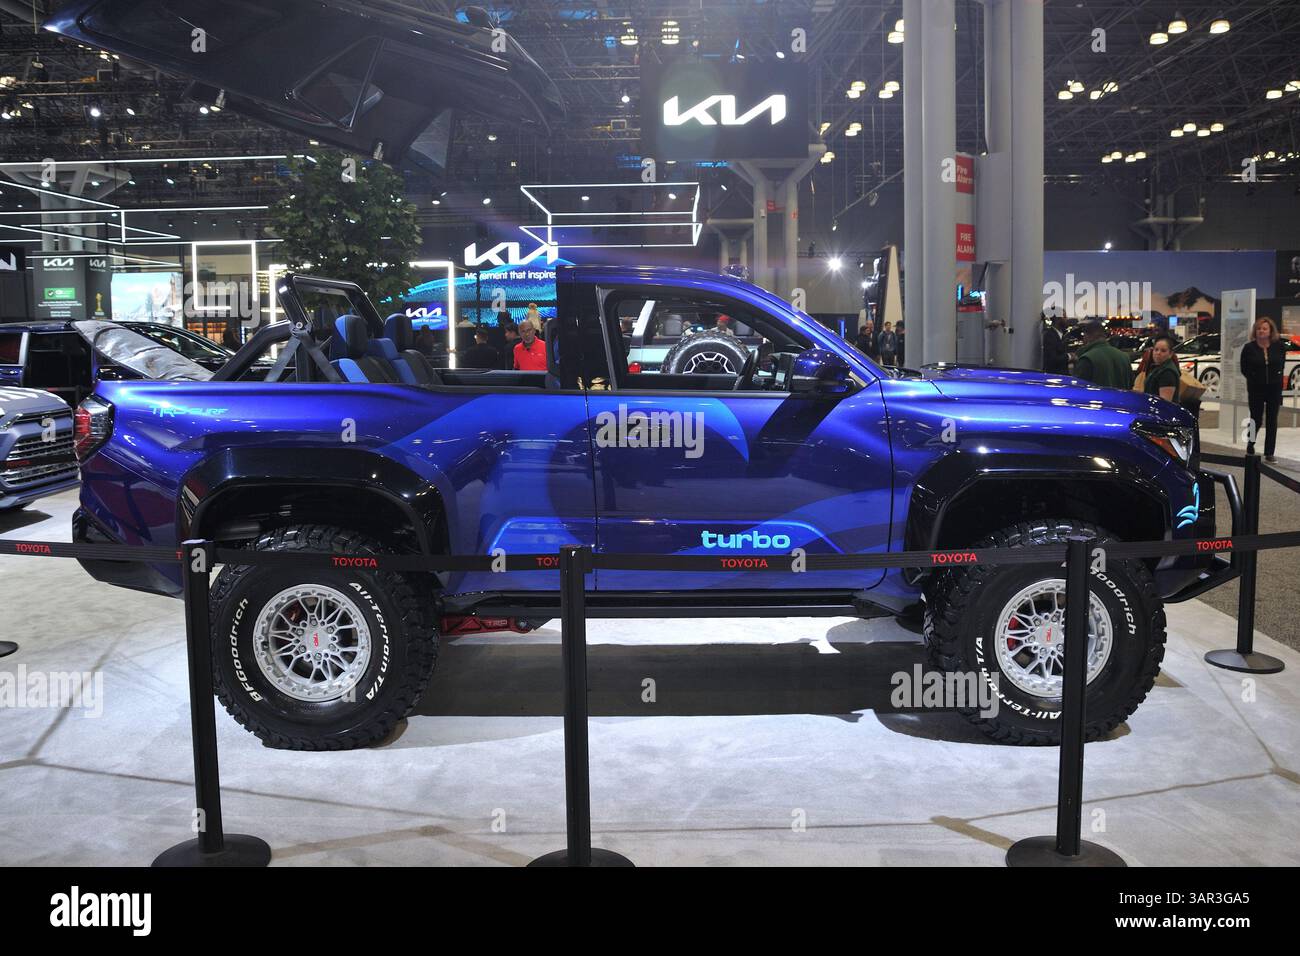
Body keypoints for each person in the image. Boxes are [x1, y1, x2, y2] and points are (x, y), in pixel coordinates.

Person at [1241, 316, 1286, 461]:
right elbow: (1244, 368)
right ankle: (1250, 443)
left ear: (1270, 331)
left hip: (1274, 388)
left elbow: (1281, 364)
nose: (1261, 331)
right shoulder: (1249, 348)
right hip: (1256, 389)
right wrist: (1254, 379)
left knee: (1272, 420)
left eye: (1264, 328)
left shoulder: (1279, 346)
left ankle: (1269, 452)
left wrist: (1277, 379)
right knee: (1256, 419)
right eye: (1259, 328)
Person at [1073, 320, 1133, 389]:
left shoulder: (1087, 358)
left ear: (1086, 336)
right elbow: (1130, 385)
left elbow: (1078, 389)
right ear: (1104, 335)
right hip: (1122, 399)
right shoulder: (1124, 357)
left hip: (1096, 399)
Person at [1143, 333, 1181, 403]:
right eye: (1156, 349)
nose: (1158, 353)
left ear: (1170, 354)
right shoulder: (1158, 367)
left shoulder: (1167, 372)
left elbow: (1164, 403)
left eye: (1163, 351)